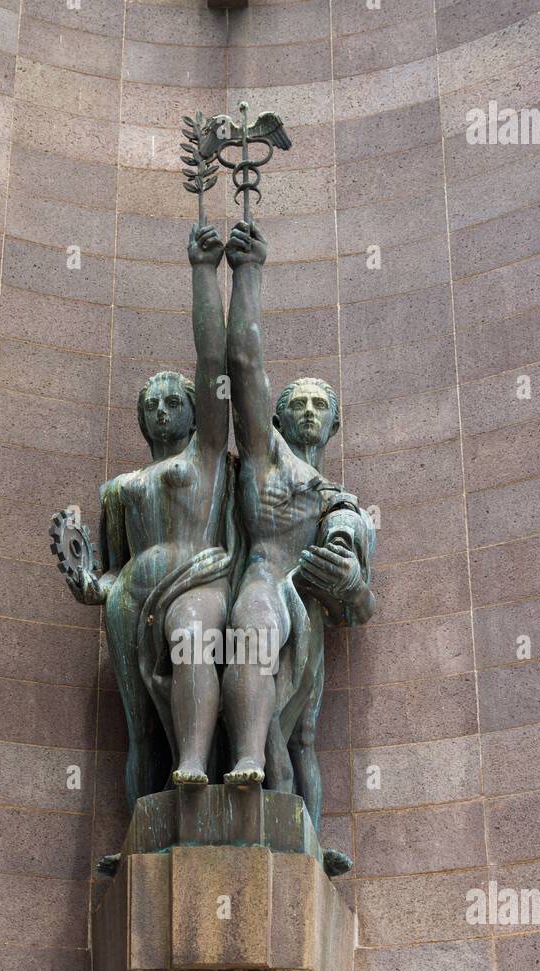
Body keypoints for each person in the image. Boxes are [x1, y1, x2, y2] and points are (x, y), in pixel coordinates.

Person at [63, 222, 235, 808]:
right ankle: (144, 824)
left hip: (196, 578)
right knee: (138, 729)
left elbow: (215, 359)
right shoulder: (120, 488)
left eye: (173, 402)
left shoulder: (207, 455)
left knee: (191, 643)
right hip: (129, 598)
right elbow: (113, 566)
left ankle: (197, 769)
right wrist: (93, 583)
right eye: (151, 406)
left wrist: (203, 273)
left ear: (194, 413)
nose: (162, 412)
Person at [223, 220, 376, 855]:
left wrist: (352, 585)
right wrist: (246, 273)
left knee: (305, 738)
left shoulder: (346, 507)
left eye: (321, 405)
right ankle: (245, 763)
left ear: (335, 423)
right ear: (280, 415)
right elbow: (242, 362)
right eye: (299, 403)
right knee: (254, 625)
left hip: (311, 611)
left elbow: (362, 605)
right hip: (263, 579)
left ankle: (307, 842)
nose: (309, 411)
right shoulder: (266, 455)